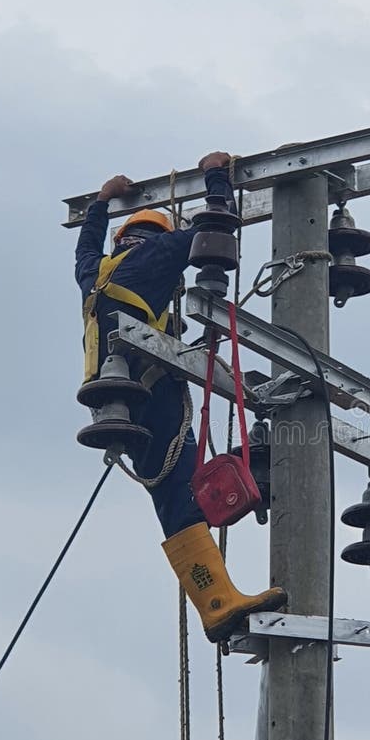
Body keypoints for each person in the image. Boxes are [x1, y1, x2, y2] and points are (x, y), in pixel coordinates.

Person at [74, 152, 287, 642]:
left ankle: (218, 601)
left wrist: (101, 200)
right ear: (153, 237)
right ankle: (218, 603)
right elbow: (214, 224)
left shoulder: (96, 273)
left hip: (119, 402)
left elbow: (85, 247)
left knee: (176, 495)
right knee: (180, 497)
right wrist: (216, 173)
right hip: (152, 395)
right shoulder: (154, 257)